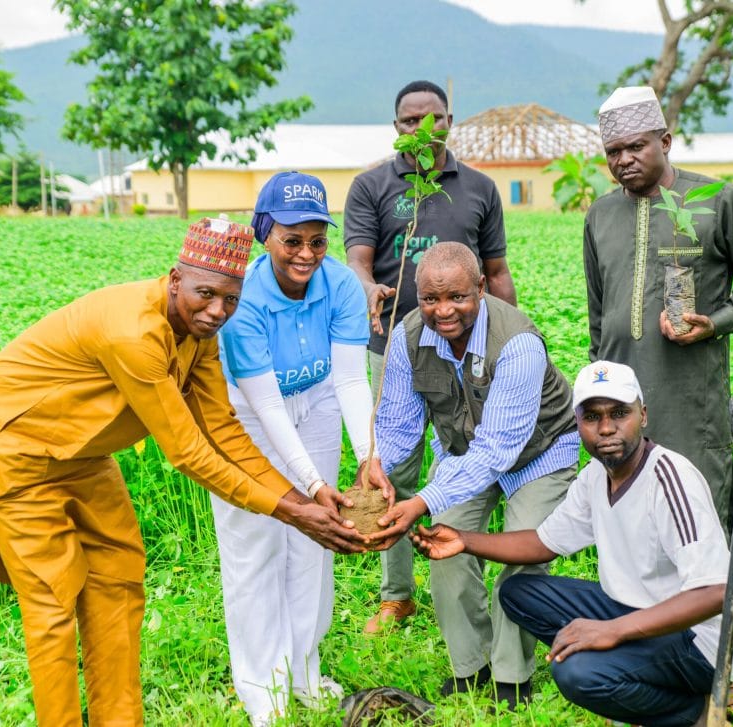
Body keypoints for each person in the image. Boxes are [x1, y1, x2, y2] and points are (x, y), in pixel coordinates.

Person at [0, 218, 369, 726]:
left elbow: (224, 429)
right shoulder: (133, 333)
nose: (217, 311)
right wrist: (290, 513)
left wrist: (303, 498)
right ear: (175, 280)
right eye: (206, 294)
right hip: (15, 448)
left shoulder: (200, 333)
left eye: (231, 299)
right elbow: (189, 452)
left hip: (80, 454)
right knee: (52, 598)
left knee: (119, 573)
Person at [584, 85, 733, 717]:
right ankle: (658, 637)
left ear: (665, 141)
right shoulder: (599, 215)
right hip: (623, 401)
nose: (623, 161)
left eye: (636, 146)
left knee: (713, 517)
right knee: (636, 518)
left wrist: (717, 318)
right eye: (612, 151)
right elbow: (598, 312)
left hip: (690, 399)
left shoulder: (714, 201)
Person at [411, 361, 733, 727]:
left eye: (619, 413)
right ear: (577, 423)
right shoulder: (595, 477)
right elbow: (543, 542)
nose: (606, 428)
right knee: (517, 591)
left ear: (643, 415)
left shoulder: (670, 479)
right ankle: (638, 672)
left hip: (700, 643)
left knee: (576, 674)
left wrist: (610, 631)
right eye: (592, 416)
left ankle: (690, 714)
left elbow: (717, 592)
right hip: (635, 610)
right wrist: (463, 540)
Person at [211, 173, 392, 724]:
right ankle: (262, 687)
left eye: (317, 239)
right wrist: (313, 487)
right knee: (255, 546)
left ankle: (305, 671)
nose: (306, 253)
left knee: (312, 548)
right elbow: (265, 407)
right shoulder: (243, 300)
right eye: (293, 239)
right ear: (265, 234)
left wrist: (368, 454)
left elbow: (351, 380)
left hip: (315, 405)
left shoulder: (338, 285)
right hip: (251, 418)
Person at [367, 241, 578, 708]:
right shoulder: (407, 338)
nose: (442, 311)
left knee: (523, 556)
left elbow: (499, 449)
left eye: (457, 297)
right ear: (417, 296)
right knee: (445, 549)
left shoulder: (518, 342)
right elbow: (400, 425)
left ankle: (512, 677)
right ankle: (473, 667)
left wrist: (422, 500)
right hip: (464, 453)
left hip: (539, 452)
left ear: (480, 289)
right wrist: (377, 464)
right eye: (429, 299)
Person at [344, 79, 517, 634]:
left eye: (433, 118)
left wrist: (514, 337)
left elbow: (495, 274)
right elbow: (359, 261)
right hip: (394, 345)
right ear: (395, 128)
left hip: (469, 351)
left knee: (471, 453)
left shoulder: (480, 188)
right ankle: (396, 594)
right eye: (409, 121)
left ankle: (469, 565)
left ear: (449, 120)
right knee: (392, 465)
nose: (421, 129)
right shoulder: (372, 185)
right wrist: (368, 289)